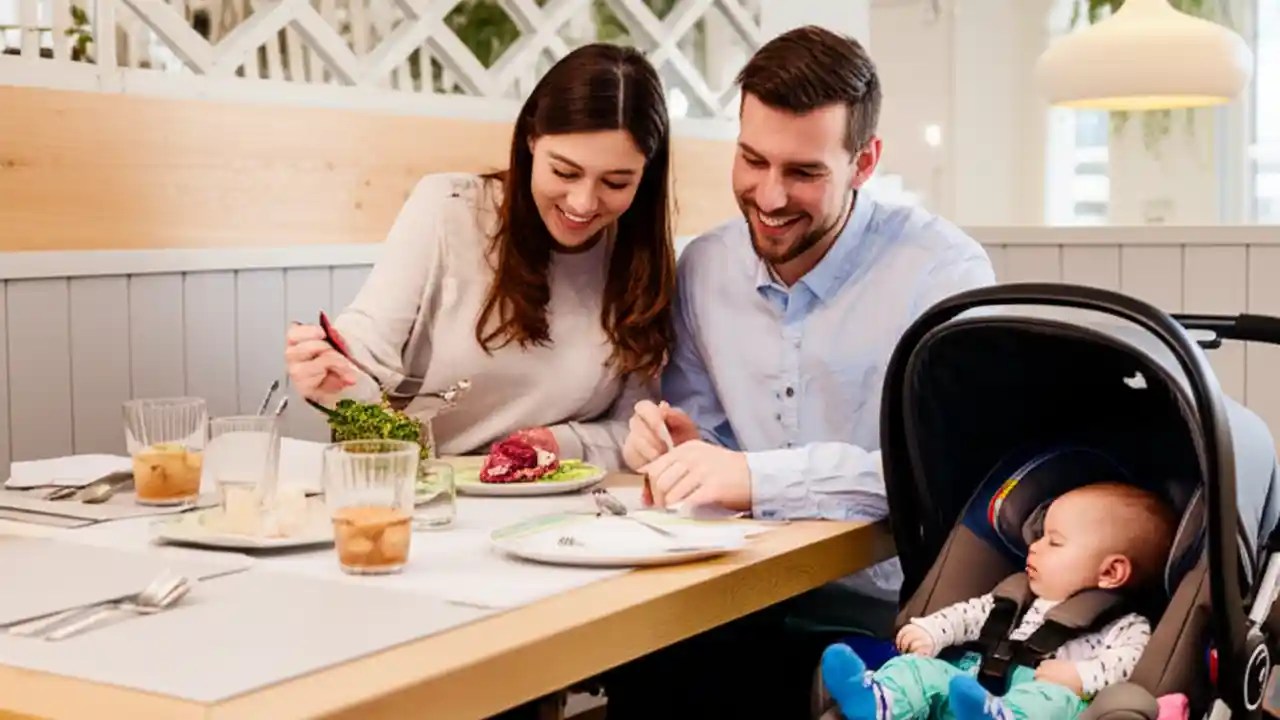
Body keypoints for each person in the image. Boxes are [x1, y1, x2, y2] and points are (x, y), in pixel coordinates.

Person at [604, 25, 996, 718]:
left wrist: (755, 477)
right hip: (733, 599)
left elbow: (939, 479)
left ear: (864, 162)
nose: (769, 195)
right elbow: (716, 453)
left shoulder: (941, 274)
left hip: (896, 626)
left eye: (804, 172)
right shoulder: (705, 267)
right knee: (642, 669)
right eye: (752, 159)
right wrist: (686, 449)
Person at [283, 43, 676, 471]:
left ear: (645, 176)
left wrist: (565, 442)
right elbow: (365, 349)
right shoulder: (449, 208)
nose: (583, 203)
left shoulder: (641, 261)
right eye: (564, 172)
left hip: (566, 497)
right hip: (427, 486)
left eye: (616, 183)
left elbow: (636, 431)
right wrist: (332, 372)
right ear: (530, 140)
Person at [820, 482, 1177, 720]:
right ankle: (880, 701)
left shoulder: (1124, 625)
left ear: (1111, 572)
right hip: (971, 688)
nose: (1034, 546)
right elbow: (968, 615)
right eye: (1039, 536)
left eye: (1054, 542)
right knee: (922, 669)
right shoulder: (1016, 600)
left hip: (1046, 696)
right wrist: (930, 632)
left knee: (1052, 701)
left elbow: (1126, 663)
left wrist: (1079, 677)